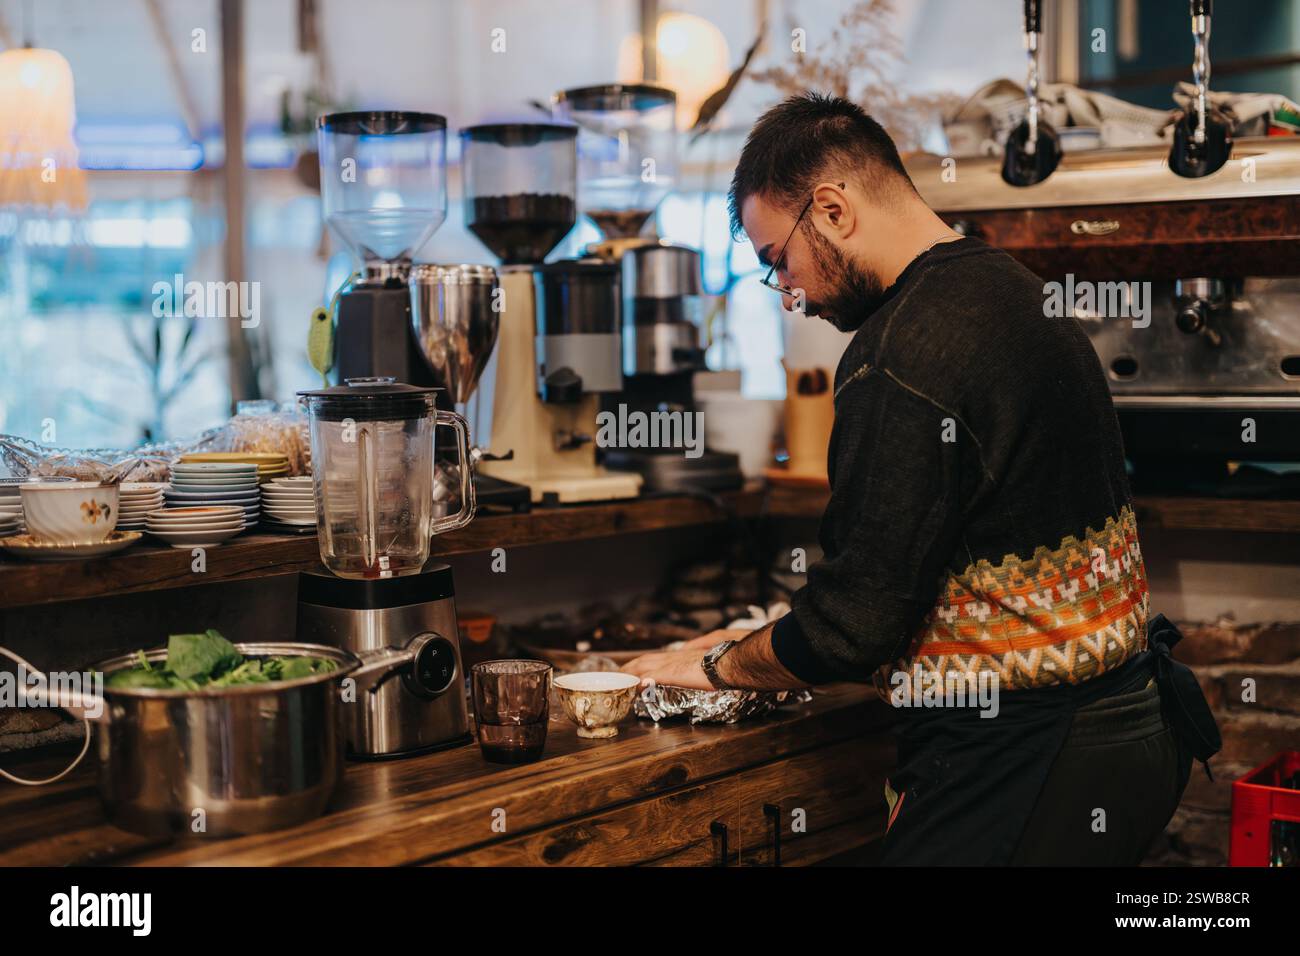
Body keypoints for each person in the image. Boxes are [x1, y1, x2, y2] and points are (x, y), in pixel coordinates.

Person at [622, 92, 1211, 865]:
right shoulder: (1020, 293)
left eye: (779, 263)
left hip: (1030, 763)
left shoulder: (898, 356)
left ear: (831, 209)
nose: (789, 294)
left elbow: (850, 628)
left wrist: (711, 664)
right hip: (1135, 730)